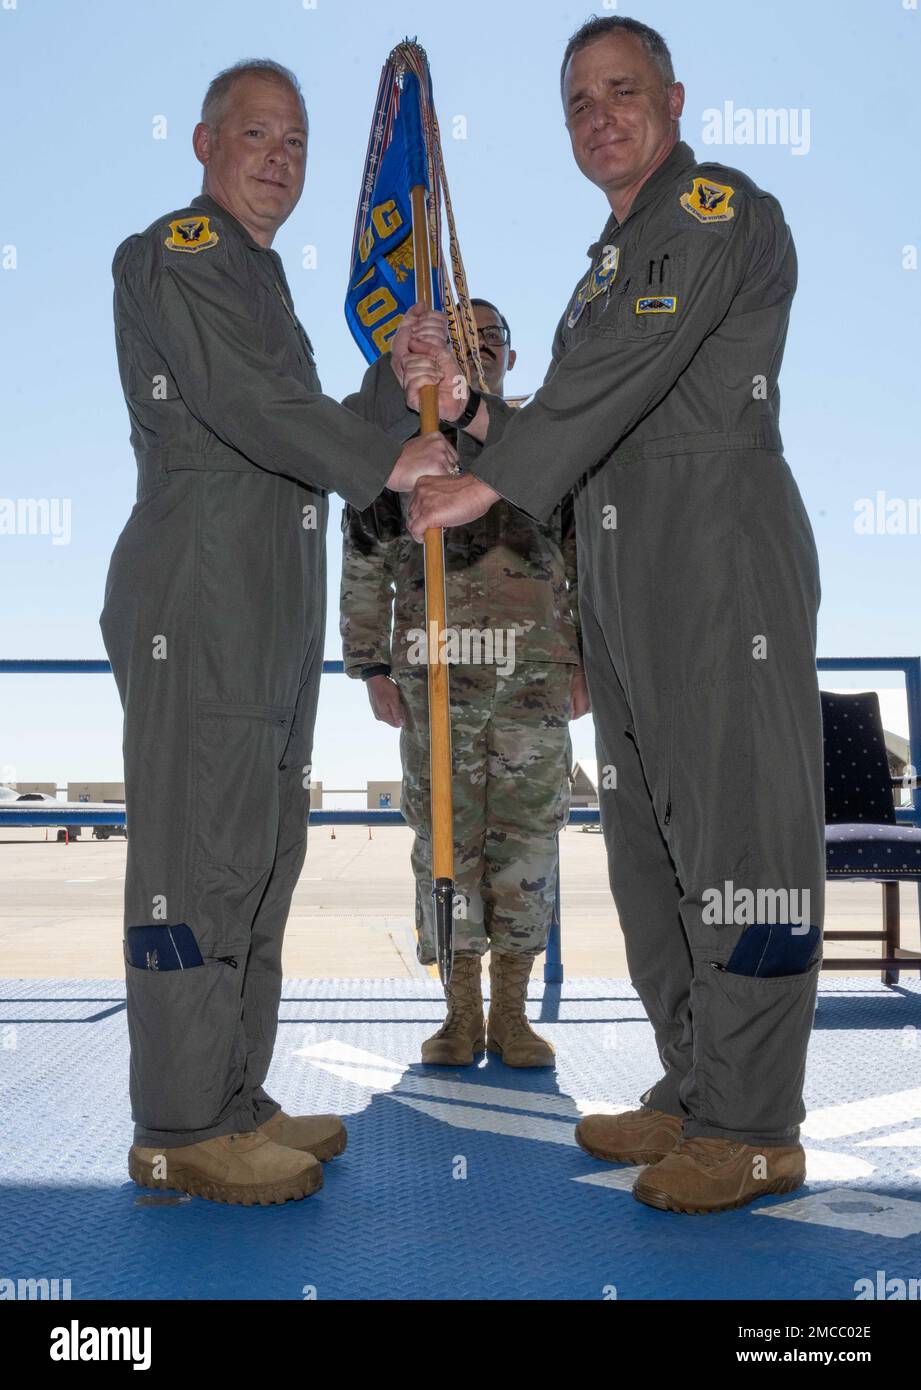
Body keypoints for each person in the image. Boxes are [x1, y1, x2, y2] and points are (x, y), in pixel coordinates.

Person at [400, 16, 824, 1215]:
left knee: (740, 848)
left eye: (620, 91)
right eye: (577, 101)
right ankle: (696, 1085)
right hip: (625, 581)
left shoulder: (710, 213)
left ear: (675, 98)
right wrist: (472, 413)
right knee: (652, 856)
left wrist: (489, 475)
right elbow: (574, 425)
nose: (599, 115)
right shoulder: (603, 267)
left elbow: (620, 377)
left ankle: (752, 1128)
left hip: (720, 560)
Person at [99, 59, 455, 1206]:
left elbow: (294, 422)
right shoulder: (183, 253)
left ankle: (232, 1093)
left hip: (261, 601)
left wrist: (388, 388)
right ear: (204, 143)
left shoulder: (260, 285)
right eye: (257, 134)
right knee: (198, 858)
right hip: (200, 597)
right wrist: (381, 455)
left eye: (297, 142)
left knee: (256, 858)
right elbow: (250, 409)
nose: (279, 157)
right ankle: (181, 1123)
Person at [340, 299, 589, 1068]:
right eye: (460, 341)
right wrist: (372, 665)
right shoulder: (406, 451)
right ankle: (457, 1013)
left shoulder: (547, 441)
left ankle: (511, 1016)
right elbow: (365, 559)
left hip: (533, 681)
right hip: (434, 682)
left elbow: (586, 558)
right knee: (441, 844)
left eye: (489, 340)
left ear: (509, 358)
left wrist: (587, 660)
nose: (477, 350)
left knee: (525, 846)